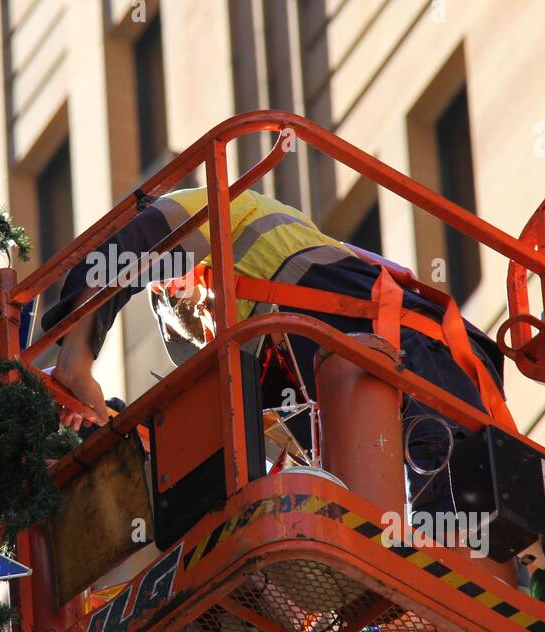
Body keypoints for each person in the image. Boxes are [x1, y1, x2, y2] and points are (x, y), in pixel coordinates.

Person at [41, 186, 513, 520]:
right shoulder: (259, 356)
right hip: (390, 392)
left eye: (169, 296)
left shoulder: (238, 212)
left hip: (422, 360)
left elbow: (142, 238)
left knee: (462, 521)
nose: (182, 319)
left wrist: (77, 358)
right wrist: (114, 426)